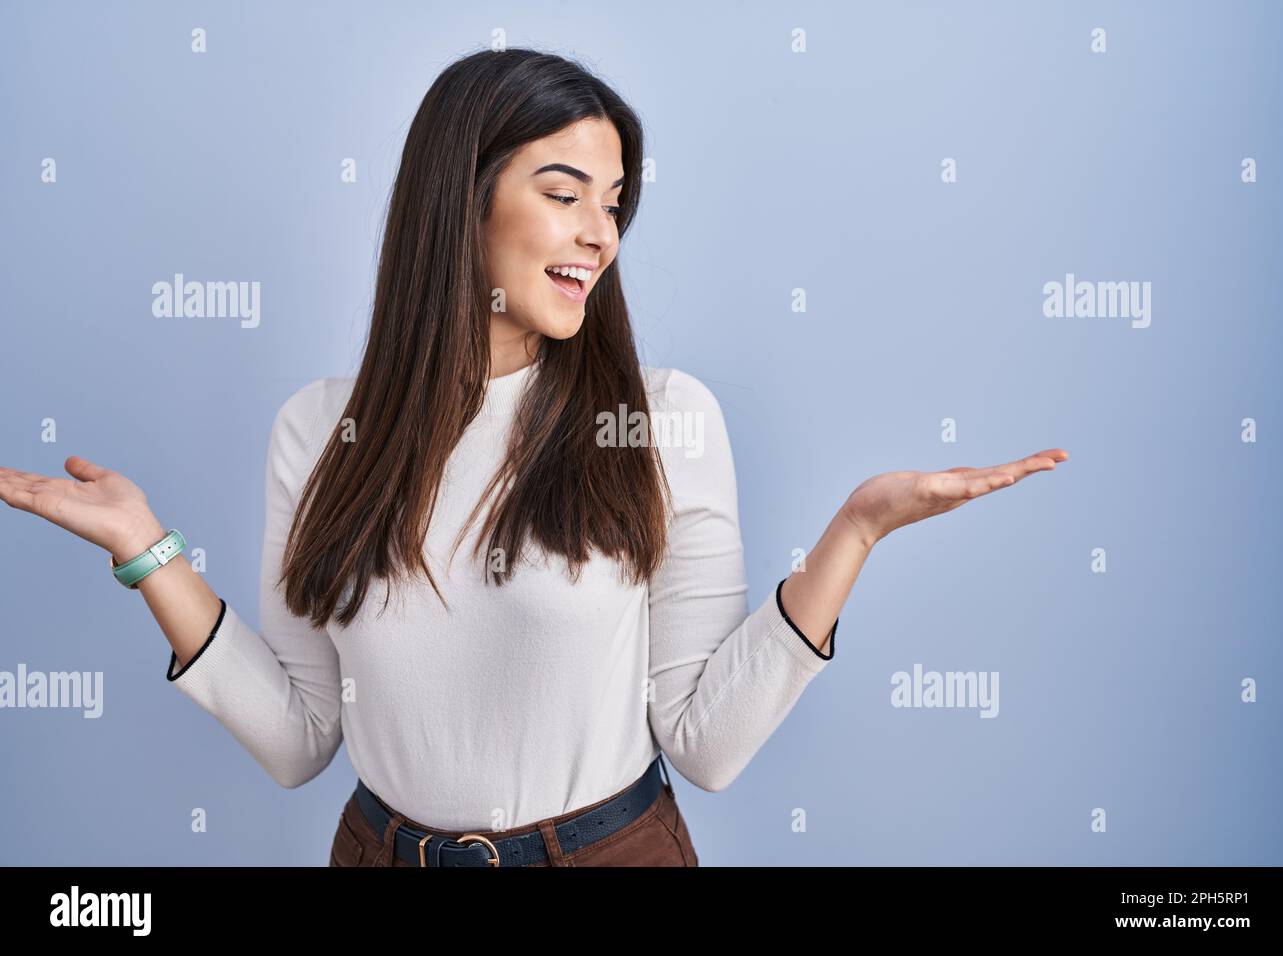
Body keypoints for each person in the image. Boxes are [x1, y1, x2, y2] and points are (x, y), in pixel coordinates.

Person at [0, 48, 1067, 867]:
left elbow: (704, 739)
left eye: (613, 204)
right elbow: (298, 737)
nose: (599, 232)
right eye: (564, 193)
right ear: (458, 201)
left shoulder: (661, 418)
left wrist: (855, 533)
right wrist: (148, 550)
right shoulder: (318, 430)